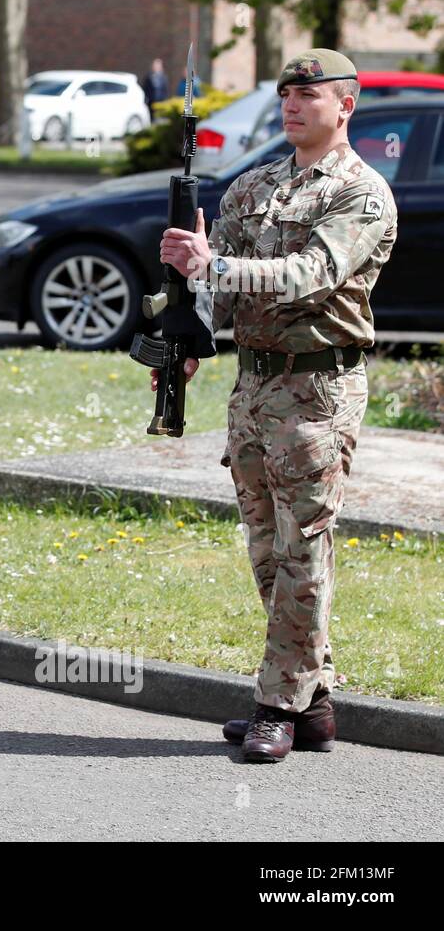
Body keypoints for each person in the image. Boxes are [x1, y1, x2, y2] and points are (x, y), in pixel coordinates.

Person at [157, 49, 397, 763]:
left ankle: (277, 706)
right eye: (287, 93)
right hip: (255, 387)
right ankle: (314, 703)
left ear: (345, 105)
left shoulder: (361, 193)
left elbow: (310, 274)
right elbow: (218, 292)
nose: (293, 104)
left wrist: (215, 264)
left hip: (319, 391)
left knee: (304, 548)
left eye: (310, 94)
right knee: (267, 547)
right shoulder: (250, 187)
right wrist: (186, 329)